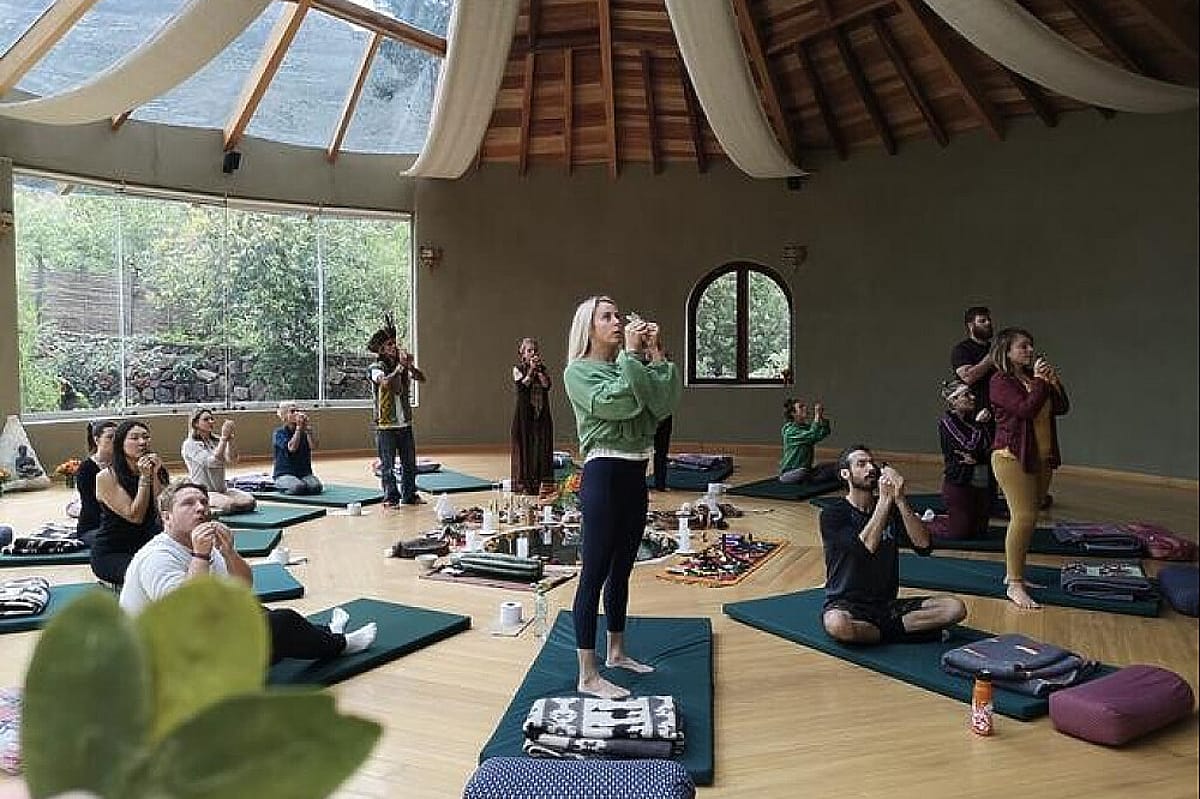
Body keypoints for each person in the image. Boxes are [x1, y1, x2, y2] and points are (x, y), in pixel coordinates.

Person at [563, 297, 681, 698]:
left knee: (622, 571)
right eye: (607, 317)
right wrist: (635, 362)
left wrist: (654, 354)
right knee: (594, 573)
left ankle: (616, 653)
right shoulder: (577, 372)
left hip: (634, 477)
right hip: (604, 475)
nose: (617, 321)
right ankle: (587, 675)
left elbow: (663, 405)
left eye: (619, 315)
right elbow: (618, 405)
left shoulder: (629, 366)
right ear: (589, 327)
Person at [120, 481, 376, 663]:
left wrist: (229, 553)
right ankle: (341, 645)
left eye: (203, 502)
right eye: (188, 503)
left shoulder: (204, 541)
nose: (200, 508)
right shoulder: (157, 557)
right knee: (282, 624)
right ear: (167, 517)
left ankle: (326, 632)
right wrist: (201, 556)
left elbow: (242, 588)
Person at [820, 445, 967, 644]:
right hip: (847, 605)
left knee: (955, 608)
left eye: (871, 463)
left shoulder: (892, 508)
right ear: (845, 474)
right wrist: (884, 500)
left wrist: (900, 499)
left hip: (887, 606)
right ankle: (903, 631)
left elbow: (923, 546)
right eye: (861, 464)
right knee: (837, 625)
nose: (870, 468)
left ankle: (881, 632)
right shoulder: (833, 515)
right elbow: (864, 550)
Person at [989, 328, 1069, 609]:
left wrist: (1053, 382)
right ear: (1007, 351)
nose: (1030, 350)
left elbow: (1061, 407)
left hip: (1041, 458)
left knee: (1031, 518)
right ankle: (1014, 583)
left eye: (1031, 345)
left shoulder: (1032, 379)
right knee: (1023, 517)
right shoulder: (1000, 381)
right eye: (1023, 346)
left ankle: (1015, 573)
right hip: (1012, 457)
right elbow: (1025, 409)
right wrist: (1039, 382)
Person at [92, 420, 169, 585]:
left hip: (149, 545)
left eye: (146, 437)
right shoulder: (106, 477)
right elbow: (135, 516)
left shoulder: (156, 469)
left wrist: (155, 475)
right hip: (114, 551)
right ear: (120, 443)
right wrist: (144, 478)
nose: (142, 442)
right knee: (148, 576)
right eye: (134, 438)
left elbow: (163, 511)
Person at [367, 314, 427, 507]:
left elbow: (422, 378)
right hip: (386, 425)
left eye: (395, 343)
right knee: (388, 465)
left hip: (405, 423)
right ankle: (391, 497)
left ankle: (409, 495)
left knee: (410, 463)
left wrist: (409, 366)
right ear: (382, 349)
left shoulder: (400, 367)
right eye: (390, 344)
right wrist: (400, 368)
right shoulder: (375, 367)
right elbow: (385, 382)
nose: (394, 347)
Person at [937, 381, 991, 540]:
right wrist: (979, 425)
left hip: (979, 478)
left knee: (980, 531)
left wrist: (976, 458)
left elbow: (987, 447)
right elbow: (969, 445)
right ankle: (924, 521)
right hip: (959, 481)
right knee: (959, 533)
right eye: (966, 395)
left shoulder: (971, 420)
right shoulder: (947, 422)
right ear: (954, 400)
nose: (972, 397)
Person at [181, 408, 255, 514]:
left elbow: (233, 459)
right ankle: (207, 507)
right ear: (196, 423)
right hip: (204, 491)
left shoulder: (217, 440)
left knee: (250, 502)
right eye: (206, 419)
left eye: (211, 419)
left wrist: (230, 439)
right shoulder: (189, 444)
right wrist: (224, 439)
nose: (211, 421)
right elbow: (212, 463)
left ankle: (221, 506)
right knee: (230, 505)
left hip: (222, 490)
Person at [510, 337, 554, 497]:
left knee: (541, 446)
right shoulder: (518, 369)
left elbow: (546, 385)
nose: (533, 353)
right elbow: (523, 385)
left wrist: (539, 371)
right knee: (526, 447)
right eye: (529, 351)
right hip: (525, 416)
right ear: (522, 354)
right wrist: (531, 371)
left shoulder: (542, 369)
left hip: (541, 413)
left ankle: (542, 483)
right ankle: (526, 483)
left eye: (535, 350)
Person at [75, 420, 117, 548]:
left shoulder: (124, 464)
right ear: (97, 440)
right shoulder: (86, 469)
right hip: (94, 526)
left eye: (118, 437)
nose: (115, 441)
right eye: (110, 437)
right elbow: (91, 506)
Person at [272, 400, 322, 496]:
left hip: (304, 473)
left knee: (316, 487)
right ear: (284, 417)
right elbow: (292, 448)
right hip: (285, 473)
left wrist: (309, 432)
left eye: (298, 410)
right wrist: (299, 428)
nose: (297, 413)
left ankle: (299, 483)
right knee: (298, 487)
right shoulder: (279, 433)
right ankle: (279, 484)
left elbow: (314, 446)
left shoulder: (305, 432)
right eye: (292, 411)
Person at [779, 398, 833, 483]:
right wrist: (817, 416)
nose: (805, 408)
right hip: (791, 473)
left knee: (831, 467)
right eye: (801, 407)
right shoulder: (790, 431)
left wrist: (821, 417)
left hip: (805, 469)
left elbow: (823, 433)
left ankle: (812, 477)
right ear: (793, 413)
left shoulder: (805, 427)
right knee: (804, 472)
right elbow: (813, 434)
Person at [651, 414, 674, 492]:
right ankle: (659, 485)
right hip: (648, 419)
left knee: (661, 454)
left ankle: (660, 485)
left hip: (664, 419)